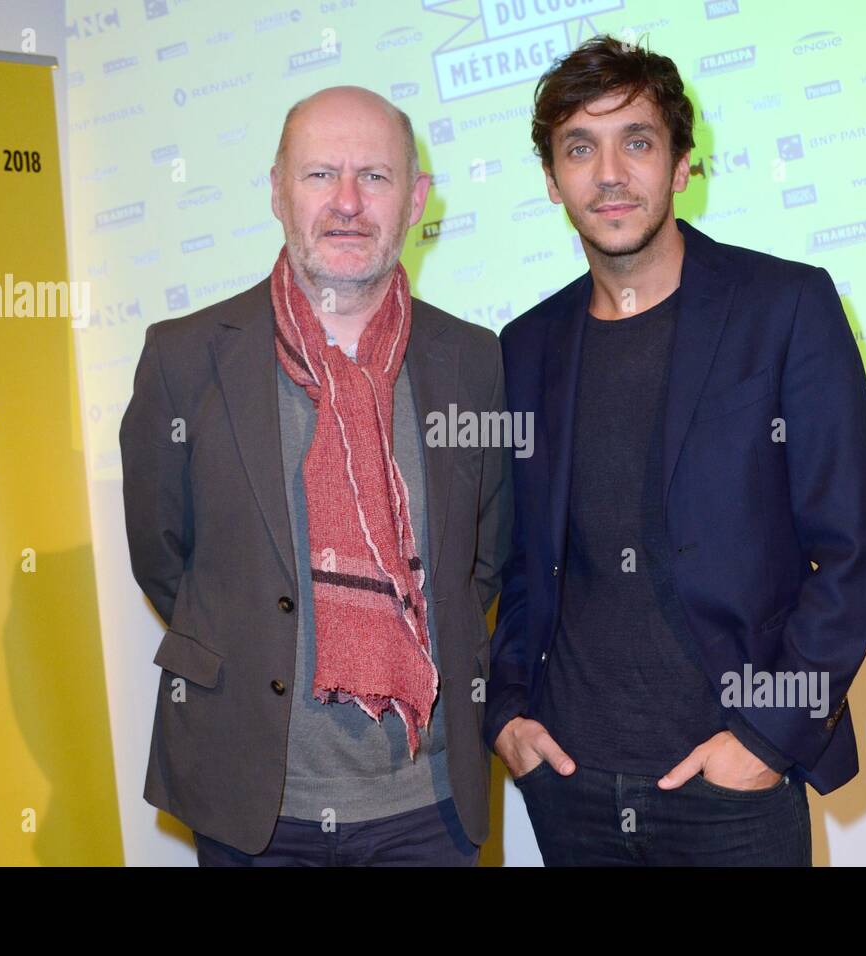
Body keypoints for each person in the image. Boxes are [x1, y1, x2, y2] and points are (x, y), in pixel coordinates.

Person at [484, 36, 866, 866]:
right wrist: (507, 714)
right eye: (578, 148)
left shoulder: (787, 308)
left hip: (732, 790)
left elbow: (852, 556)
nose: (608, 173)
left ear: (679, 166)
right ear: (552, 179)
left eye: (635, 141)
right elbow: (524, 564)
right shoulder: (524, 346)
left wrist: (767, 740)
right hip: (571, 784)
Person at [119, 86, 511, 866]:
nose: (346, 203)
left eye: (374, 177)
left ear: (415, 199)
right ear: (275, 190)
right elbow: (164, 557)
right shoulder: (185, 356)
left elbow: (484, 559)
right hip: (255, 805)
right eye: (318, 175)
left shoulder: (474, 360)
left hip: (425, 804)